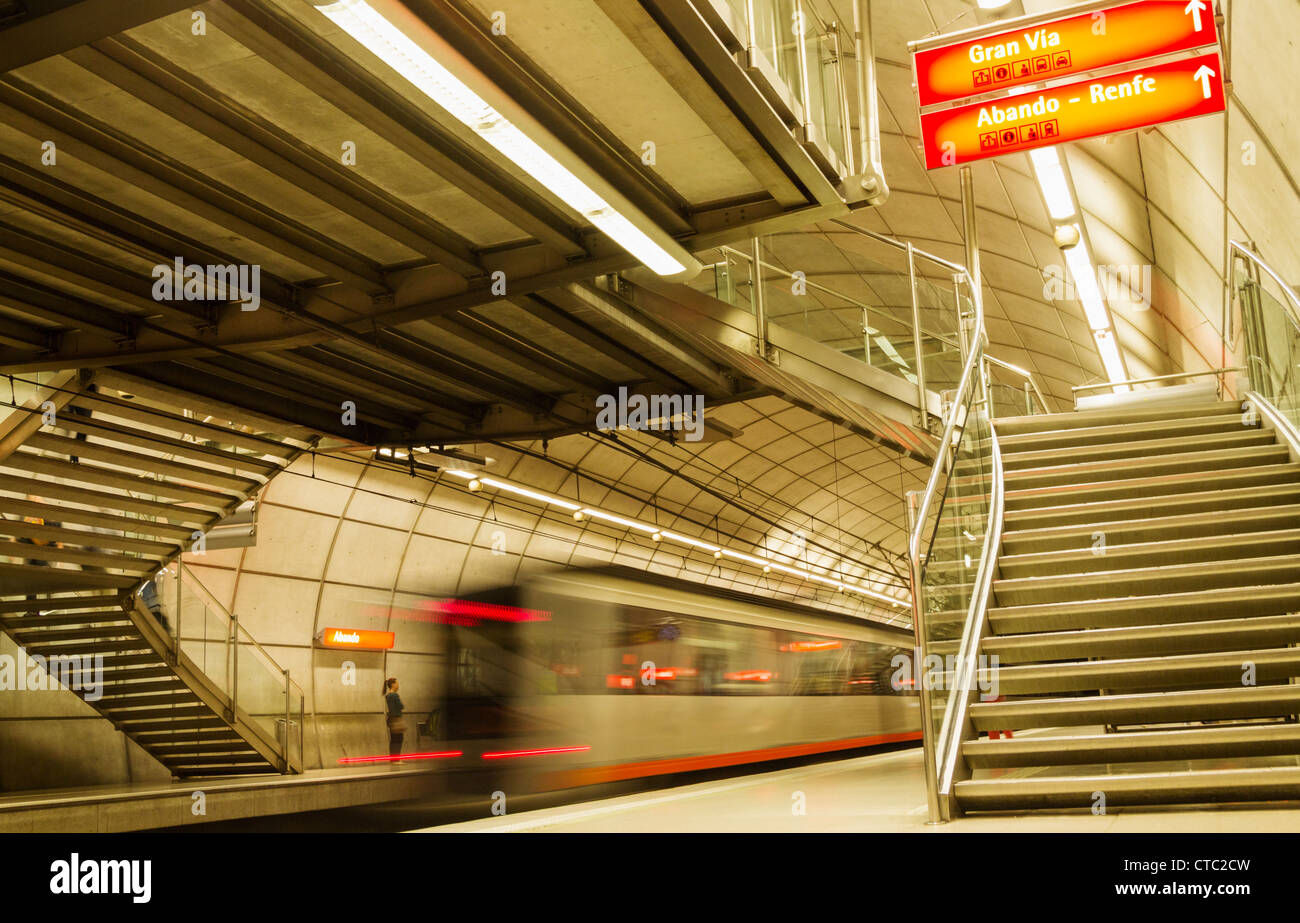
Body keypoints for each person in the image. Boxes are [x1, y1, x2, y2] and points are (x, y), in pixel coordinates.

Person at [384, 677, 406, 758]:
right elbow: (401, 706)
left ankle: (393, 759)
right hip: (396, 719)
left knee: (393, 740)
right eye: (397, 683)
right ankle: (396, 759)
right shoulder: (394, 695)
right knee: (398, 740)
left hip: (391, 720)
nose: (398, 685)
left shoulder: (388, 696)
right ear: (393, 684)